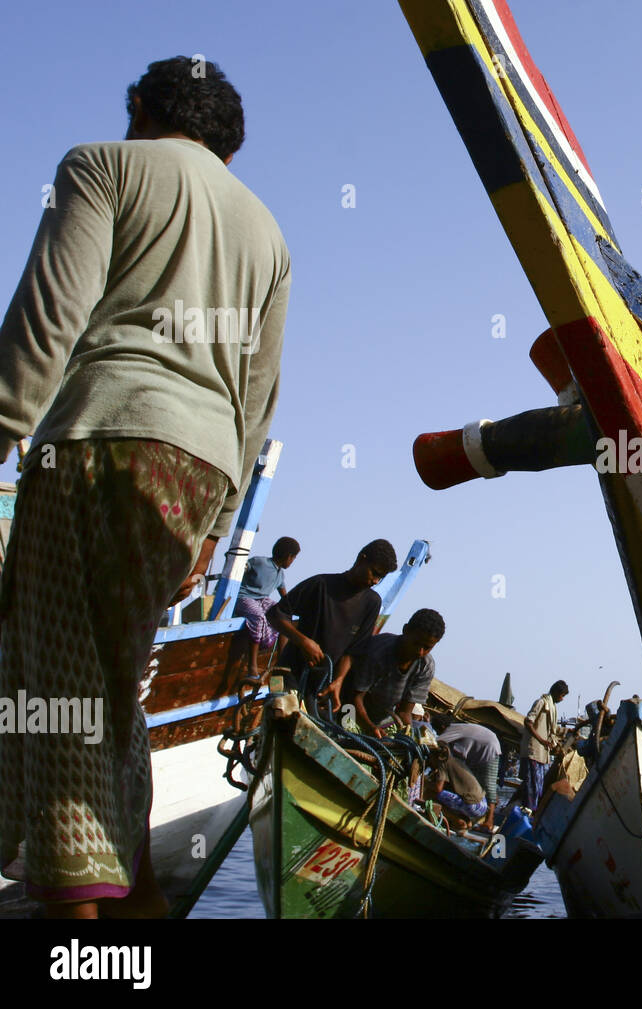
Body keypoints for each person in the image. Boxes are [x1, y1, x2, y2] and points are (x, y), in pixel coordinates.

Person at [0, 57, 289, 919]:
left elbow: (51, 317)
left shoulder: (103, 165)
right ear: (227, 145)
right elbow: (260, 395)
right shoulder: (268, 234)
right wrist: (216, 529)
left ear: (137, 108)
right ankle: (143, 907)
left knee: (57, 693)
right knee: (113, 695)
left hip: (97, 442)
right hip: (196, 475)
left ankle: (82, 932)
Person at [266, 539, 397, 694]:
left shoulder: (372, 603)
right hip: (284, 675)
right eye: (374, 573)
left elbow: (355, 650)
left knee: (316, 718)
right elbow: (274, 615)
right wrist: (304, 642)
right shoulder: (320, 584)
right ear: (361, 559)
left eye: (380, 577)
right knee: (277, 710)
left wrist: (339, 681)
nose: (375, 581)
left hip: (321, 685)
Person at [319, 608, 443, 738]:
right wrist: (370, 728)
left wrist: (409, 735)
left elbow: (404, 712)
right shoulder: (379, 651)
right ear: (406, 630)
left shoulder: (425, 666)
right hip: (346, 708)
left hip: (378, 717)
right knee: (345, 737)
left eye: (427, 648)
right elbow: (355, 697)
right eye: (416, 643)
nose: (420, 651)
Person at [225, 536, 299, 678]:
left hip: (260, 600)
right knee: (258, 618)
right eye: (293, 558)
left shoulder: (280, 574)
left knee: (282, 613)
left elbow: (285, 598)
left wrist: (294, 610)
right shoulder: (260, 562)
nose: (292, 562)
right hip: (243, 597)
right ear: (288, 556)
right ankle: (252, 666)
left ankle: (281, 659)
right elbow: (241, 567)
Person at [430, 713, 502, 831]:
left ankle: (489, 821)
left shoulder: (450, 731)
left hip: (489, 750)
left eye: (437, 730)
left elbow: (434, 743)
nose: (437, 733)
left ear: (442, 727)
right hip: (482, 751)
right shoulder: (458, 728)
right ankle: (469, 819)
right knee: (474, 783)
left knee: (489, 785)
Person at [520, 680, 567, 811]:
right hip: (534, 750)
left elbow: (552, 729)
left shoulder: (552, 706)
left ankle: (532, 811)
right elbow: (528, 722)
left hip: (542, 753)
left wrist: (567, 732)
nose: (562, 699)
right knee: (532, 785)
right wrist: (541, 740)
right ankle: (528, 811)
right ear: (557, 693)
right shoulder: (541, 702)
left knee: (538, 785)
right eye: (562, 696)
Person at [429, 752, 488, 832]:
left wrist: (427, 784)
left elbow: (438, 789)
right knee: (448, 796)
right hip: (483, 804)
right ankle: (467, 821)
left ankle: (458, 821)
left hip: (473, 806)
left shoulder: (443, 762)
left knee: (435, 794)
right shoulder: (456, 760)